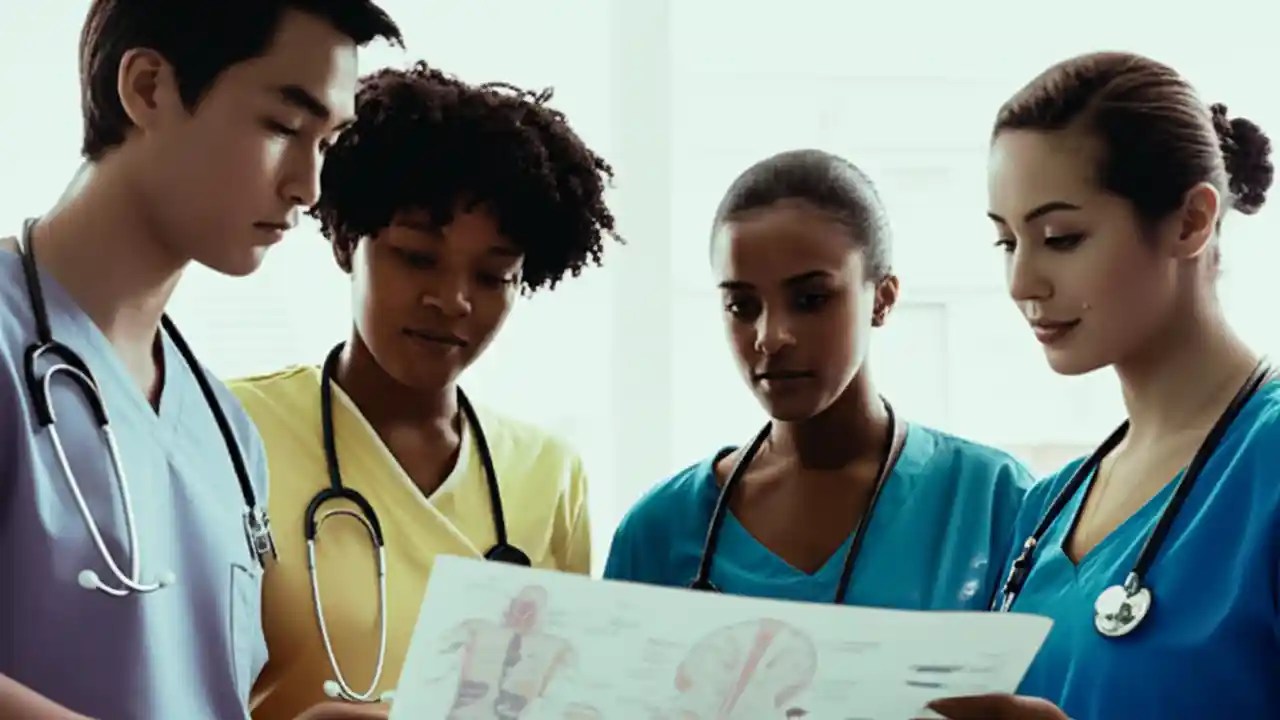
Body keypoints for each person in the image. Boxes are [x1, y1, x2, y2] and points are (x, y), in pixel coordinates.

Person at [0, 2, 402, 719]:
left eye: (327, 143)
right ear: (148, 88)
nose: (308, 188)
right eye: (283, 126)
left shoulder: (227, 434)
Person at [228, 63, 620, 719]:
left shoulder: (550, 474)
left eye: (495, 276)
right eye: (415, 257)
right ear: (347, 242)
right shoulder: (233, 429)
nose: (453, 301)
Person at [925, 51, 1276, 720]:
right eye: (1007, 242)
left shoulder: (1267, 466)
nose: (1022, 283)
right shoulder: (1047, 509)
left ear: (1190, 222)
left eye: (1061, 237)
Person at [603, 149, 1035, 614]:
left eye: (810, 299)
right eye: (742, 307)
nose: (770, 337)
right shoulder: (658, 531)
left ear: (882, 299)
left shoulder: (992, 502)